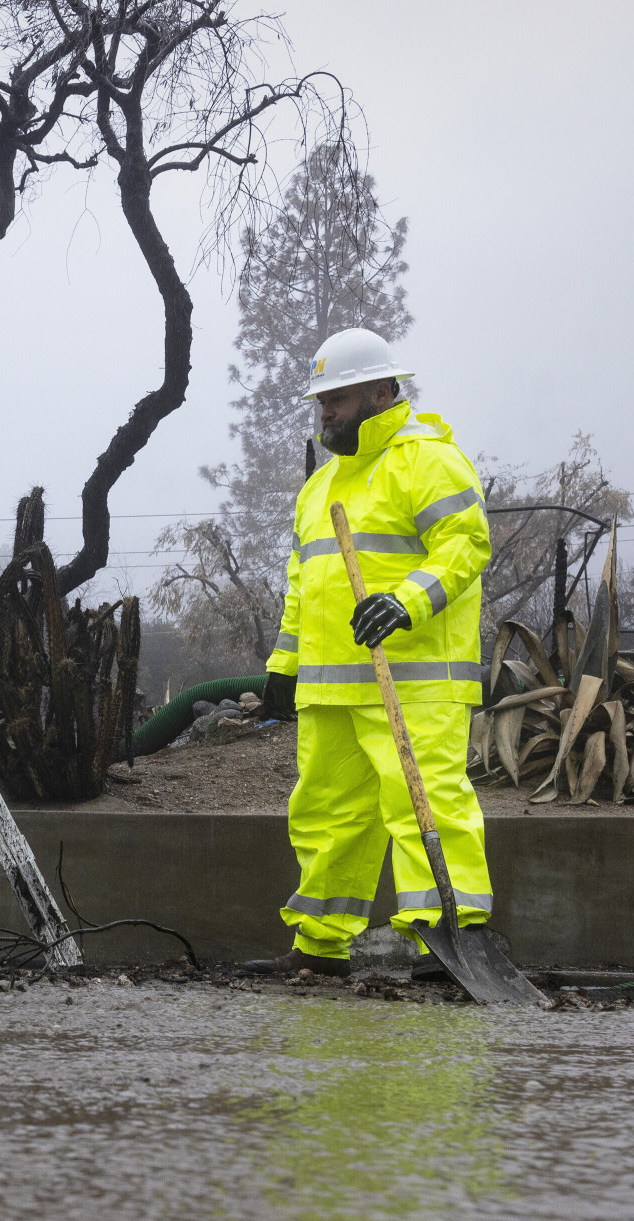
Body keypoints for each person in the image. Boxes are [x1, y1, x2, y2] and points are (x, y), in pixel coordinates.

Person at [250, 327, 494, 979]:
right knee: (327, 815)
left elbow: (465, 545)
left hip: (413, 681)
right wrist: (283, 664)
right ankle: (318, 948)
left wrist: (407, 601)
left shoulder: (428, 460)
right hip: (331, 689)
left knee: (427, 805)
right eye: (322, 399)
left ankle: (448, 943)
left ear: (382, 391)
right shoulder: (321, 487)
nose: (325, 411)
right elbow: (304, 584)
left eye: (338, 396)